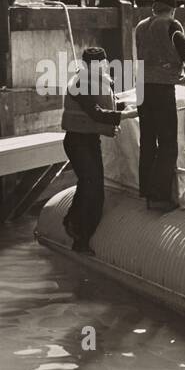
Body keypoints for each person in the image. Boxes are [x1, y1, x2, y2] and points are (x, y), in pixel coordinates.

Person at [133, 0, 185, 209]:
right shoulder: (171, 26)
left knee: (148, 142)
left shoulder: (140, 27)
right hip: (160, 88)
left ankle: (146, 191)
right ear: (173, 10)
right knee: (167, 144)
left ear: (154, 8)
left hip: (141, 88)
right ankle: (159, 197)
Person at [60, 46, 126, 253]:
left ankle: (74, 222)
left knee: (94, 187)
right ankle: (79, 236)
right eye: (98, 64)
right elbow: (96, 113)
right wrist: (125, 116)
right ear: (88, 66)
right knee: (90, 185)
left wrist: (127, 107)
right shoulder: (79, 83)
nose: (103, 66)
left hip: (91, 140)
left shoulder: (101, 81)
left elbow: (110, 106)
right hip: (76, 141)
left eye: (104, 63)